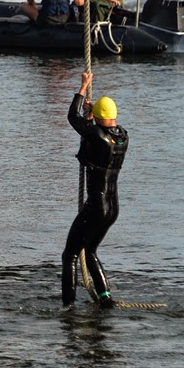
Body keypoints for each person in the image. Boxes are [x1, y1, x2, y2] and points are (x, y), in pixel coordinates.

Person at [61, 70, 128, 307]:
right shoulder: (123, 136)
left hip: (96, 206)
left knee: (70, 255)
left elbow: (72, 117)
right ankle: (105, 298)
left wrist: (83, 86)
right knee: (89, 251)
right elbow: (94, 132)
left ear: (99, 118)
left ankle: (68, 306)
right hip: (113, 208)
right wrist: (92, 113)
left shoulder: (98, 135)